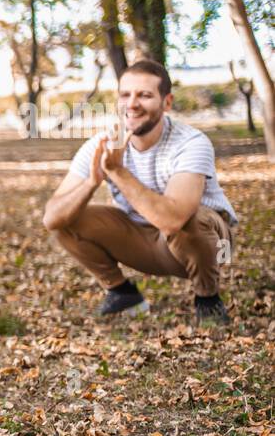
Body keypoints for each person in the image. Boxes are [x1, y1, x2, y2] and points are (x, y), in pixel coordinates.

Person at [42, 59, 238, 325]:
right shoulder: (100, 144)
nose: (132, 104)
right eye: (125, 94)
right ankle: (122, 293)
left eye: (144, 95)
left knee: (190, 219)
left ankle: (208, 299)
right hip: (143, 241)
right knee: (68, 218)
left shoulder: (191, 143)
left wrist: (117, 171)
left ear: (166, 103)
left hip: (208, 246)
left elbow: (173, 220)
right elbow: (51, 219)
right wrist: (91, 182)